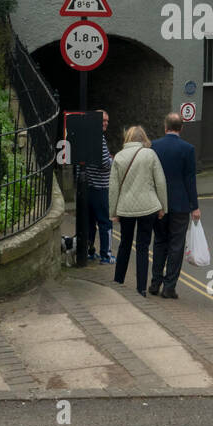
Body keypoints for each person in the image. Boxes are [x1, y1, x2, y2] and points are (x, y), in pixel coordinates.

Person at [109, 125, 167, 296]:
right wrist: (163, 206)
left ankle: (118, 281)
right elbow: (160, 182)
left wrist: (113, 212)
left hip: (125, 208)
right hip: (148, 207)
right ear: (143, 138)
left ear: (127, 138)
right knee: (143, 246)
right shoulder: (150, 154)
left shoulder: (119, 157)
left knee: (125, 244)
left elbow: (113, 188)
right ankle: (141, 288)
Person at [149, 112, 200, 299]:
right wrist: (195, 206)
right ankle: (169, 287)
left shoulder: (154, 146)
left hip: (158, 204)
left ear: (165, 126)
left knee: (160, 242)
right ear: (181, 128)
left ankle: (155, 283)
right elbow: (190, 179)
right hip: (180, 205)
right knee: (176, 246)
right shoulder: (188, 149)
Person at [82, 110, 114, 264]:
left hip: (87, 186)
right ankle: (106, 255)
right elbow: (105, 164)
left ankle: (88, 252)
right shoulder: (99, 138)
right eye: (103, 121)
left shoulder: (85, 136)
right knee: (105, 222)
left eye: (107, 121)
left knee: (89, 223)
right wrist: (112, 160)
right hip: (100, 187)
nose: (106, 123)